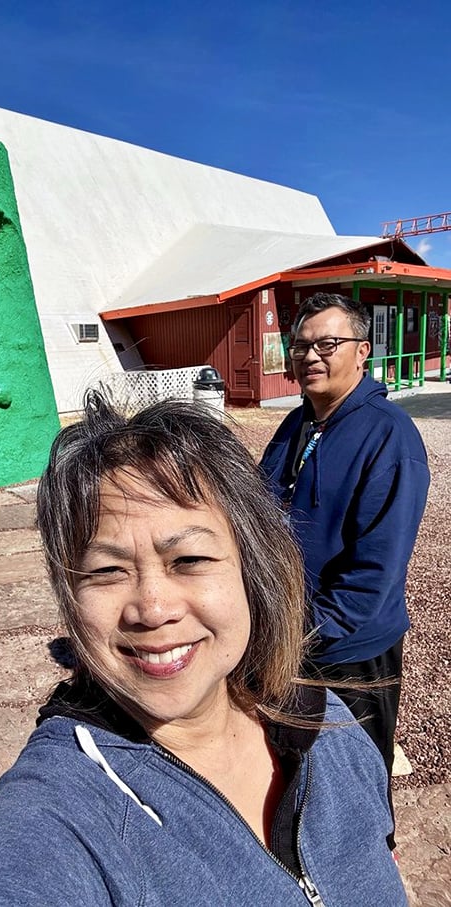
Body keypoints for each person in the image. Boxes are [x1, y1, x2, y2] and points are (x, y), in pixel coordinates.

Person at [0, 392, 406, 906]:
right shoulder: (57, 817)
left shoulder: (329, 726)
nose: (152, 607)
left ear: (253, 570)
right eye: (105, 570)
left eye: (188, 559)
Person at [260, 292, 429, 840]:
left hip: (350, 649)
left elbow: (372, 574)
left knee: (356, 774)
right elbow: (259, 511)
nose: (310, 356)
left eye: (327, 344)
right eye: (301, 345)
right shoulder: (296, 425)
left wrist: (305, 634)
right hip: (285, 635)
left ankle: (375, 863)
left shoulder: (389, 434)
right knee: (295, 768)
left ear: (362, 352)